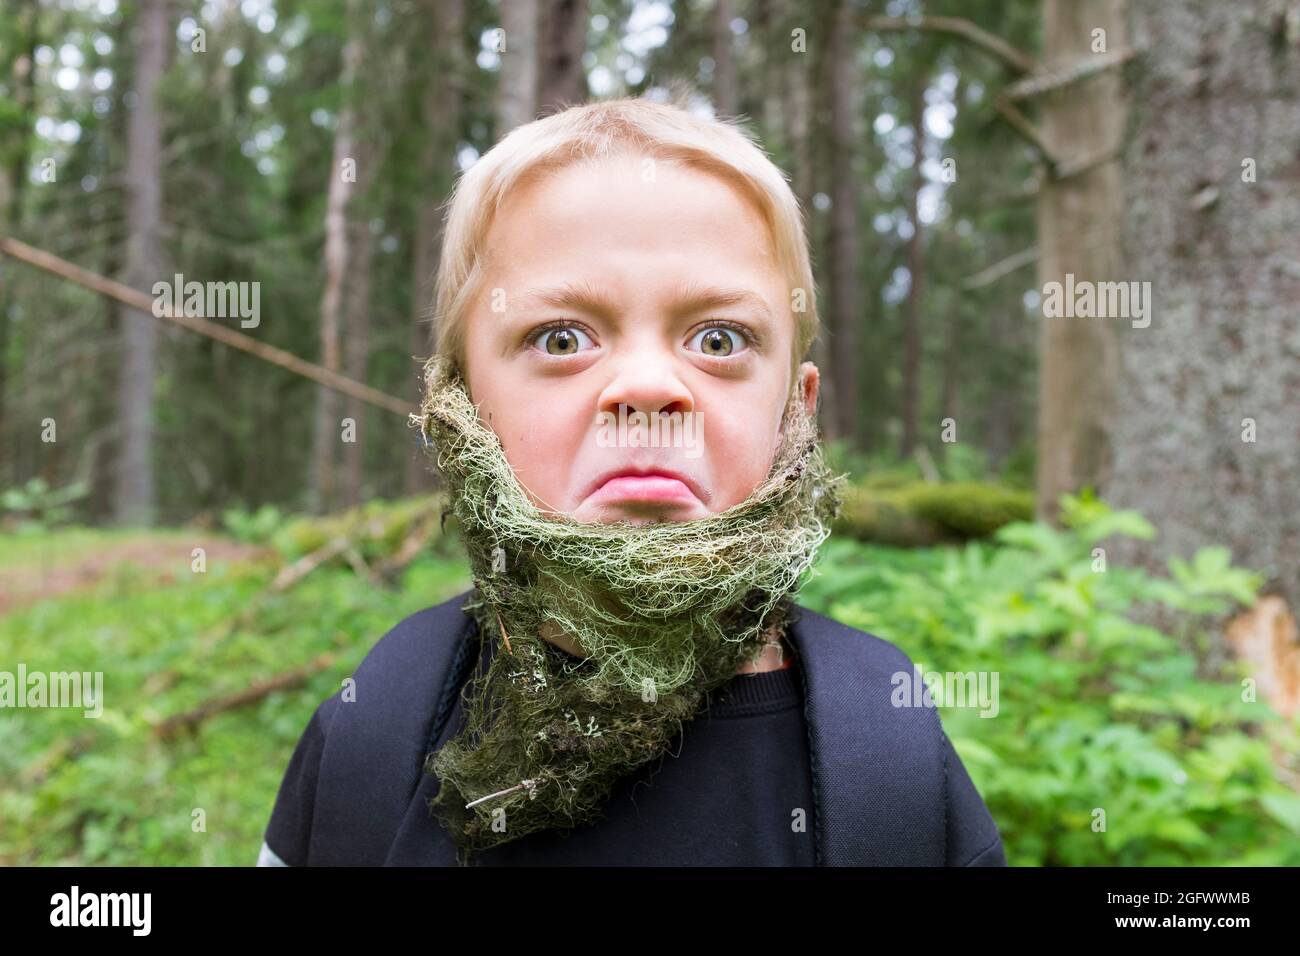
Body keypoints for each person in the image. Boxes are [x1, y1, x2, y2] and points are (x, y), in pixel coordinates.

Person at [258, 91, 1006, 867]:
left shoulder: (889, 764)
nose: (649, 388)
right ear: (459, 406)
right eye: (560, 337)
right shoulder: (373, 735)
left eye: (719, 338)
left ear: (797, 409)